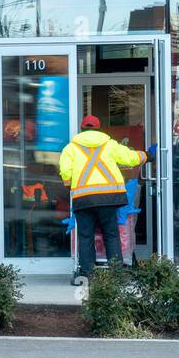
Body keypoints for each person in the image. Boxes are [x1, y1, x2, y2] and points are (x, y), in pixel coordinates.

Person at [59, 115, 150, 285]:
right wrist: (146, 156)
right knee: (111, 234)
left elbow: (66, 173)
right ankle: (116, 275)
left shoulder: (70, 148)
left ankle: (86, 275)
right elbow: (129, 158)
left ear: (82, 129)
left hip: (83, 198)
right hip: (109, 197)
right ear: (99, 128)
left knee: (85, 236)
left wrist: (69, 182)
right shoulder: (110, 144)